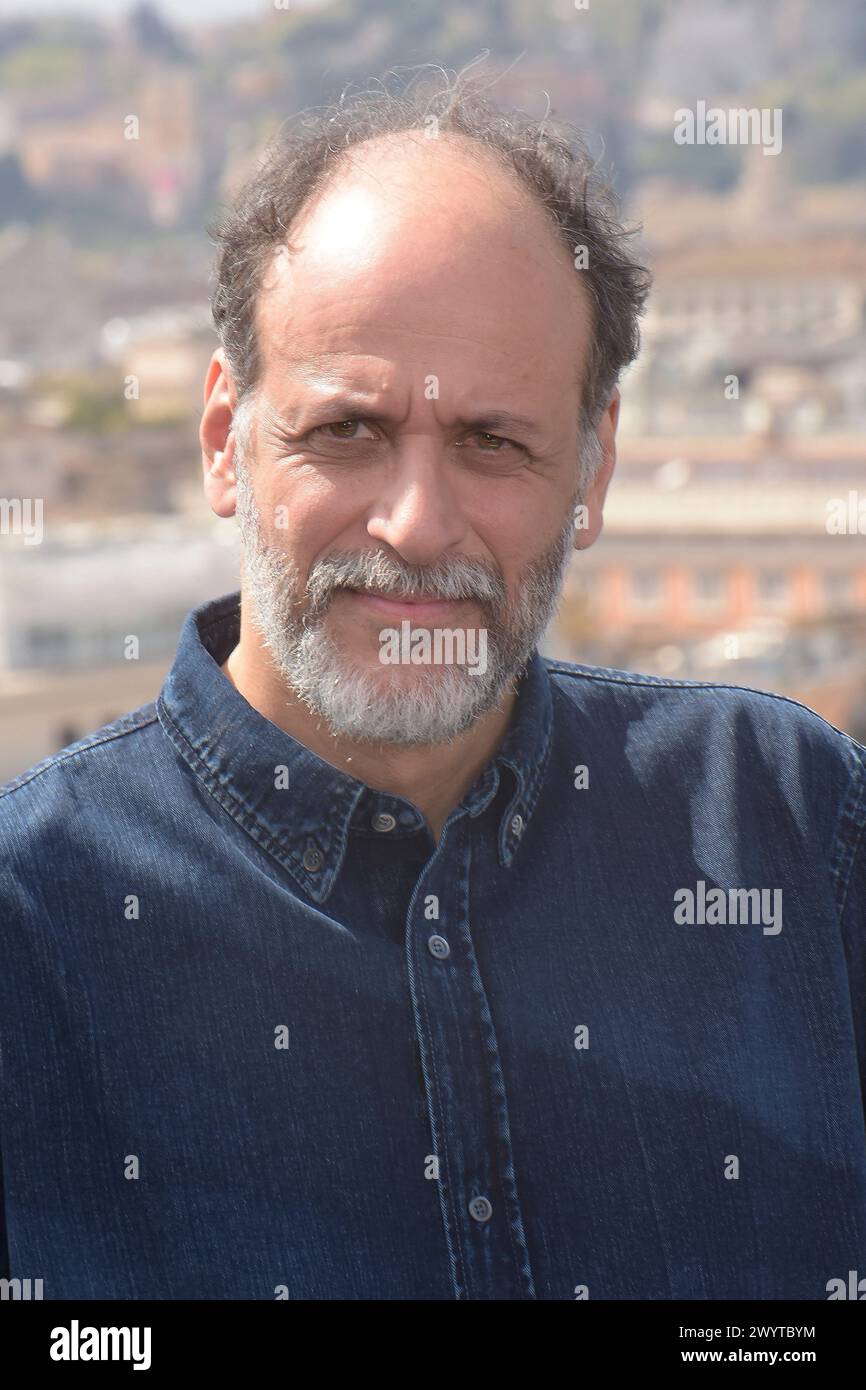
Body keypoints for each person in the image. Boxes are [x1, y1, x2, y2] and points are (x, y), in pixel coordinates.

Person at [1, 70, 864, 1301]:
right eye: (346, 430)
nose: (414, 524)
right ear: (221, 442)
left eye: (492, 442)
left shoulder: (784, 826)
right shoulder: (34, 926)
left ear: (594, 467)